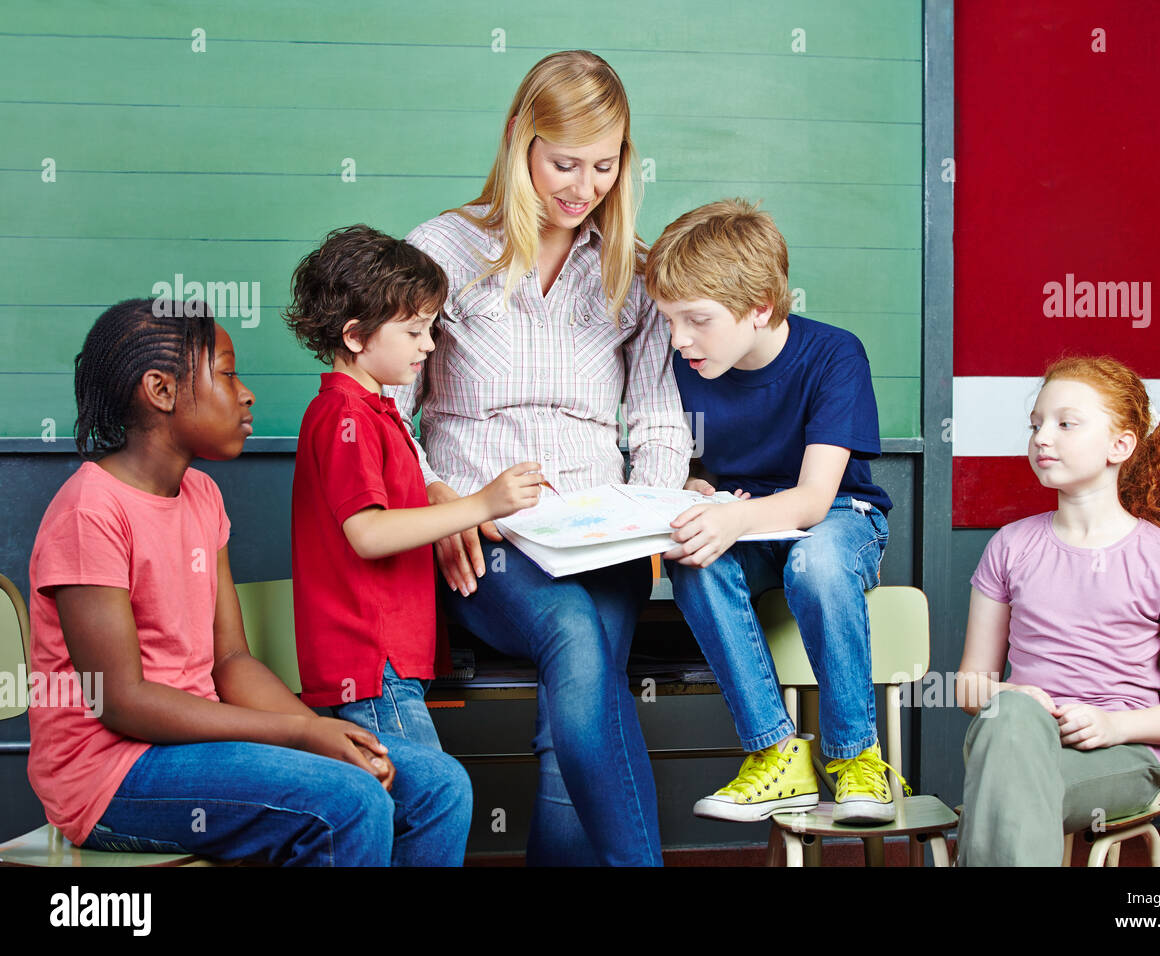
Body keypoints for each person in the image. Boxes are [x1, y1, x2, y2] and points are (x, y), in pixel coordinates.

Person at [26, 298, 471, 866]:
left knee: (437, 786)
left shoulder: (202, 496)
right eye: (228, 373)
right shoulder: (90, 511)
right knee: (350, 800)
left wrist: (329, 737)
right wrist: (303, 738)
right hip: (111, 776)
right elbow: (122, 701)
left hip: (201, 745)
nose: (246, 393)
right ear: (160, 391)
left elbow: (231, 660)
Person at [389, 51, 690, 865]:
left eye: (604, 165)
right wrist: (438, 496)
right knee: (576, 641)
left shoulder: (635, 268)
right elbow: (385, 403)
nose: (583, 186)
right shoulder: (442, 250)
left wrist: (647, 513)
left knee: (574, 718)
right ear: (522, 138)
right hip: (489, 540)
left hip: (603, 538)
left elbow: (661, 417)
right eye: (565, 162)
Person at [645, 198, 900, 824]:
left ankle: (854, 755)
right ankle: (776, 753)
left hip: (840, 518)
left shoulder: (835, 355)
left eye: (697, 320)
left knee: (815, 561)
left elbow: (815, 500)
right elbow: (689, 461)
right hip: (747, 524)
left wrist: (734, 519)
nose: (679, 339)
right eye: (670, 320)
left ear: (761, 308)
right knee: (694, 559)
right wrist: (697, 489)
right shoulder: (685, 364)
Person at [953, 355, 1160, 866]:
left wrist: (1113, 725)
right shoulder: (1010, 546)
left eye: (1065, 424)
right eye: (1036, 424)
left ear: (1120, 445)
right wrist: (1013, 694)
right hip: (1016, 741)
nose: (1042, 438)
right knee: (1010, 722)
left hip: (1122, 756)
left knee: (1004, 796)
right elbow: (970, 686)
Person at [283, 224, 542, 753]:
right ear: (355, 336)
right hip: (371, 665)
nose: (429, 345)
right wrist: (481, 505)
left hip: (392, 661)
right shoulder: (343, 416)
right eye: (415, 331)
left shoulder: (379, 414)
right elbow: (368, 533)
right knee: (431, 794)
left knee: (402, 796)